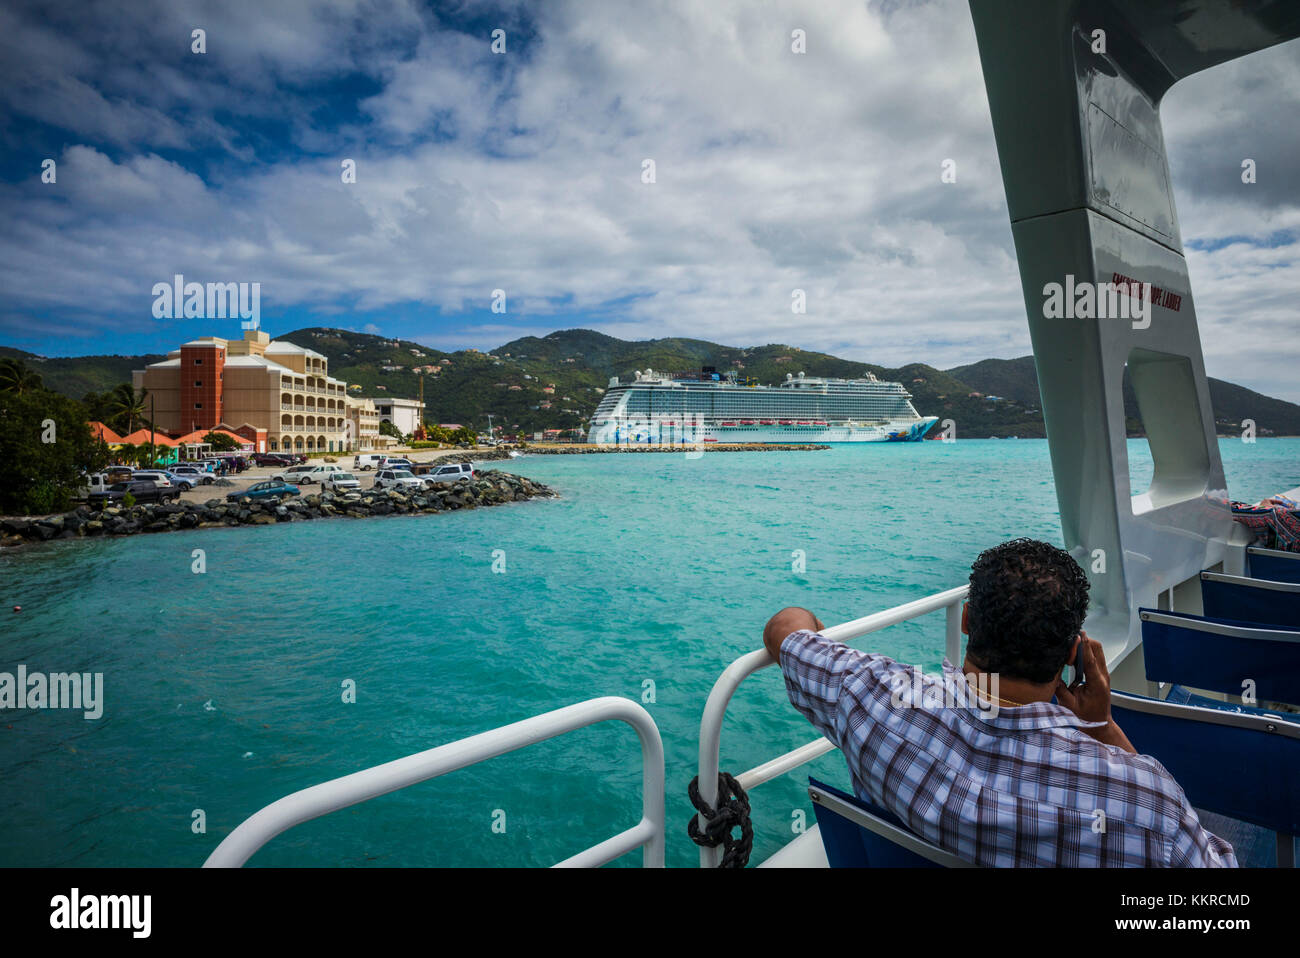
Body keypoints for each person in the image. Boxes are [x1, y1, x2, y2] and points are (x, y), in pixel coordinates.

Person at [763, 537, 1236, 867]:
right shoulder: (1147, 805)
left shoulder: (869, 698)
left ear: (967, 620)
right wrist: (1103, 729)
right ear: (1074, 652)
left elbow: (785, 630)